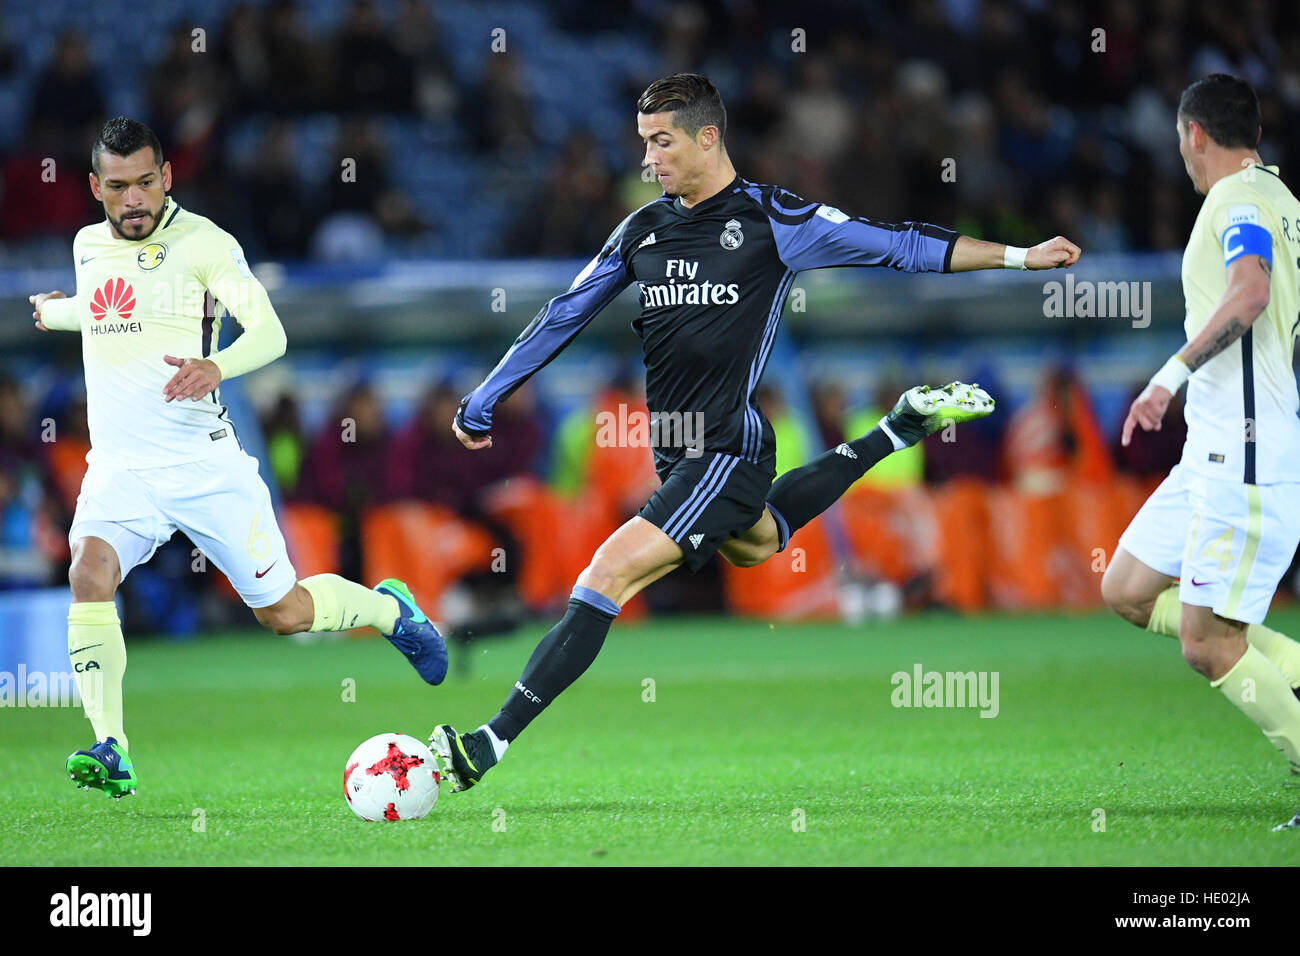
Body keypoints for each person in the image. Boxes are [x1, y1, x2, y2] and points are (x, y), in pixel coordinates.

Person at [430, 73, 1080, 791]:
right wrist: (484, 398)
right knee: (760, 541)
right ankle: (899, 429)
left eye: (662, 141)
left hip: (726, 450)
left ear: (709, 136)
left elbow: (896, 245)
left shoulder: (775, 218)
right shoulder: (641, 228)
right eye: (643, 143)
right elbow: (564, 311)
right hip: (678, 451)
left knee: (606, 572)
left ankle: (489, 741)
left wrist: (1020, 258)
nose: (648, 161)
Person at [28, 117, 446, 801]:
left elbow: (271, 331)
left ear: (165, 177)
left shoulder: (206, 243)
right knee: (88, 574)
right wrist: (56, 314)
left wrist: (216, 367)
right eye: (117, 187)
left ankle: (387, 611)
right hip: (122, 470)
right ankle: (113, 746)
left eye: (143, 183)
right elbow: (114, 308)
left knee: (283, 614)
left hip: (205, 466)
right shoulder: (86, 245)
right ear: (95, 188)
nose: (132, 200)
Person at [1099, 75, 1300, 830]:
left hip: (1243, 457)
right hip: (1217, 452)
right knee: (1125, 587)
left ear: (1192, 135)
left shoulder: (1239, 200)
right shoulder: (1283, 203)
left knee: (1208, 644)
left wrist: (1170, 377)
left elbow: (1248, 296)